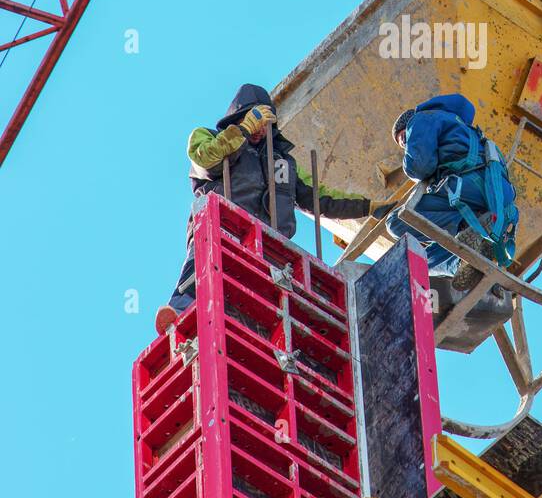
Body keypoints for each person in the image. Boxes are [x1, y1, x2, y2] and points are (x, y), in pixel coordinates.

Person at [154, 83, 376, 333]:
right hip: (225, 224)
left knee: (263, 303)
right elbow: (206, 159)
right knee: (205, 265)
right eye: (255, 119)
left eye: (265, 123)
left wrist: (368, 207)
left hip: (268, 243)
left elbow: (319, 198)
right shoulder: (210, 137)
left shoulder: (281, 160)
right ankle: (181, 313)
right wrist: (240, 132)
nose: (260, 129)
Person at [385, 93, 518, 292]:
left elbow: (419, 166)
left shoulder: (421, 119)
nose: (405, 145)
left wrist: (410, 166)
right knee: (442, 245)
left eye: (404, 139)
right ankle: (472, 263)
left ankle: (456, 262)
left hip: (464, 189)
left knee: (396, 223)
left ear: (408, 124)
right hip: (497, 199)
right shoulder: (467, 129)